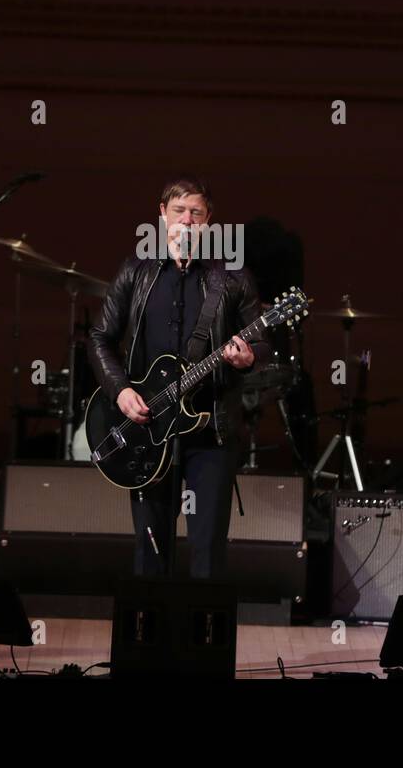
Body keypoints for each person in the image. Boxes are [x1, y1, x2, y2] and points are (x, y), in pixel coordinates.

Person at [88, 176, 271, 579]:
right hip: (148, 431)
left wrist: (247, 358)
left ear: (208, 221)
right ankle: (148, 639)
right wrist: (120, 391)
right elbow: (100, 337)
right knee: (151, 552)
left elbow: (264, 346)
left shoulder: (233, 276)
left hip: (212, 435)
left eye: (196, 213)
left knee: (207, 553)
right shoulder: (136, 271)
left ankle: (200, 639)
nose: (187, 221)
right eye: (179, 211)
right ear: (161, 215)